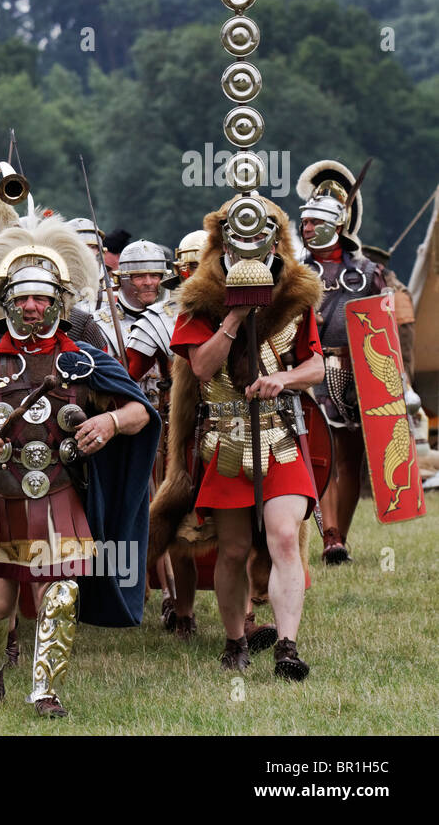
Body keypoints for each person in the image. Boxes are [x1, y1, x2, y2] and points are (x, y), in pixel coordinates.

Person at [0, 215, 158, 716]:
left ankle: (45, 692)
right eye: (24, 299)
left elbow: (142, 410)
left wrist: (111, 424)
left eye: (43, 299)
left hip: (60, 495)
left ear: (59, 304)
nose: (33, 307)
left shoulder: (85, 358)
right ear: (7, 303)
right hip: (0, 496)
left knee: (59, 596)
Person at [153, 193, 323, 681]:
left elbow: (315, 363)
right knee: (230, 549)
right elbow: (201, 366)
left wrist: (283, 380)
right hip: (224, 436)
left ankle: (287, 646)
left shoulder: (295, 296)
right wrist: (233, 316)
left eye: (260, 237)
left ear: (275, 240)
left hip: (279, 432)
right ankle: (234, 639)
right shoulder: (199, 300)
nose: (250, 247)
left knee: (285, 536)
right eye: (239, 237)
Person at [297, 159, 384, 564]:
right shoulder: (293, 272)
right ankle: (328, 533)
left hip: (355, 375)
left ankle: (340, 539)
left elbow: (382, 334)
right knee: (323, 456)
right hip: (310, 372)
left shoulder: (367, 273)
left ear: (337, 224)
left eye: (315, 222)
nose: (307, 229)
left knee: (350, 459)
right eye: (305, 222)